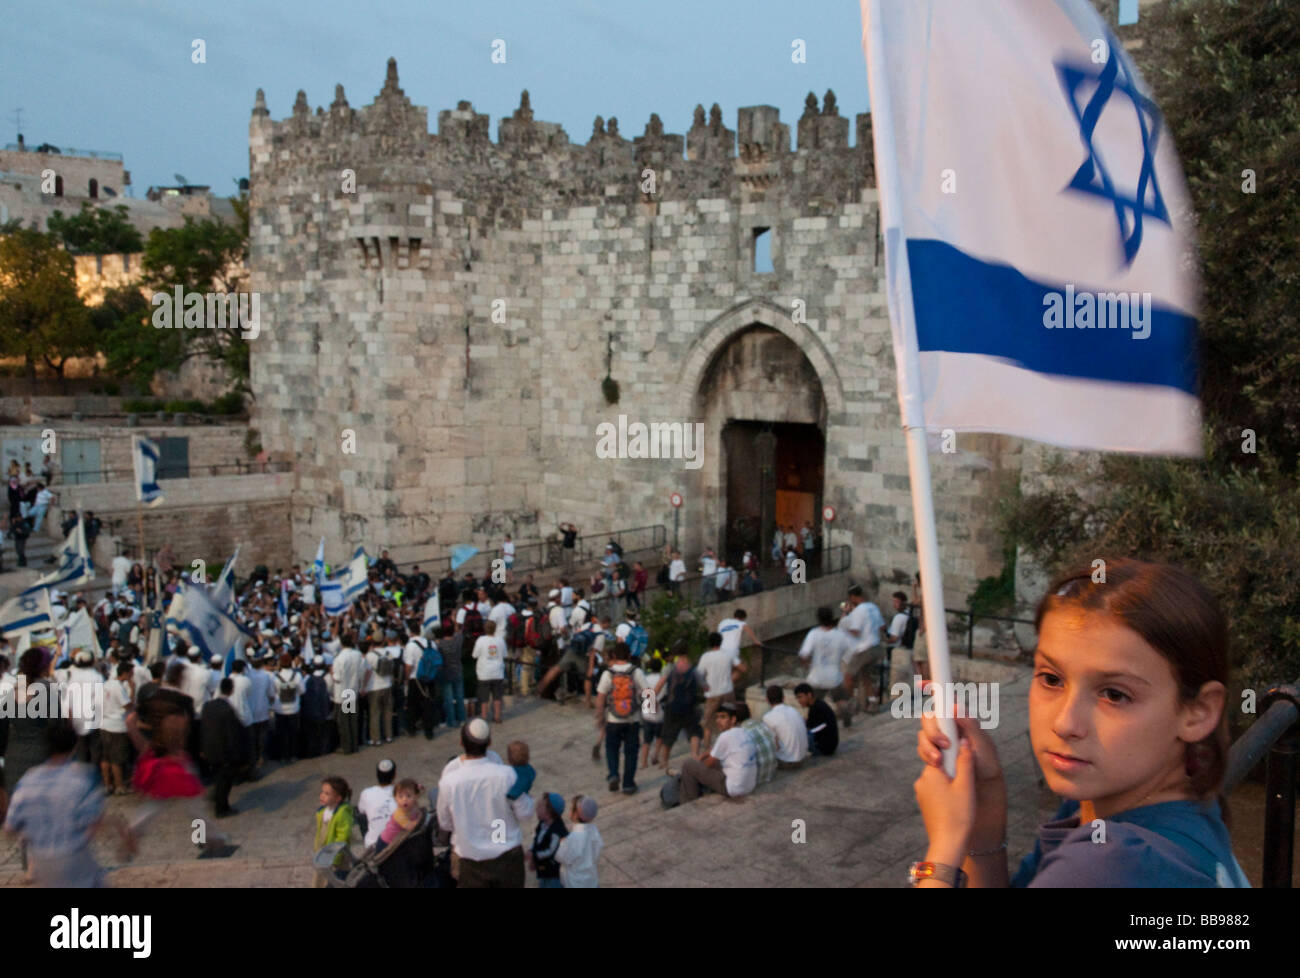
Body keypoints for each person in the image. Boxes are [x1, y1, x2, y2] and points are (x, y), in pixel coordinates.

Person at [913, 558, 1249, 889]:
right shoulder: (1156, 811)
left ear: (1198, 712)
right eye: (1051, 679)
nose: (1064, 723)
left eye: (1114, 695)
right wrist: (984, 819)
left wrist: (944, 850)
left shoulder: (1111, 866)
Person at [3, 721, 129, 887]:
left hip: (42, 860)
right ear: (75, 744)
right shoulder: (83, 777)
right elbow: (94, 823)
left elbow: (11, 827)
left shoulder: (28, 780)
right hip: (74, 855)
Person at [435, 719, 535, 888]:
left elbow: (445, 823)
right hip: (507, 857)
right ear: (489, 742)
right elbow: (524, 814)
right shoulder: (507, 774)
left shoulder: (449, 780)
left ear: (461, 742)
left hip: (471, 860)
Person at [594, 642, 648, 795]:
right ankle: (628, 784)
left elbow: (601, 697)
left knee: (612, 749)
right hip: (632, 719)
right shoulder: (636, 672)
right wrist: (648, 713)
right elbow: (647, 692)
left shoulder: (608, 673)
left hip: (613, 719)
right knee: (631, 752)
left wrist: (600, 717)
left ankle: (613, 774)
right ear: (629, 655)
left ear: (614, 656)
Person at [678, 702, 757, 802]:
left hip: (733, 789)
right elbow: (715, 752)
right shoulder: (745, 732)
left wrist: (699, 763)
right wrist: (705, 756)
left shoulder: (725, 736)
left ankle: (689, 801)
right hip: (749, 786)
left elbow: (708, 764)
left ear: (733, 719)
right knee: (715, 762)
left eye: (723, 717)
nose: (718, 721)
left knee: (688, 765)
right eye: (717, 717)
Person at [200, 678, 248, 818]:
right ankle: (222, 807)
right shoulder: (228, 710)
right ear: (232, 690)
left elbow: (203, 729)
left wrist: (202, 748)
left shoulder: (208, 706)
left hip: (209, 748)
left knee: (218, 777)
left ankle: (218, 799)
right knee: (225, 780)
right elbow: (232, 735)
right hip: (224, 752)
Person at [799, 606, 853, 722]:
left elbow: (804, 654)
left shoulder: (814, 634)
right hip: (835, 677)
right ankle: (846, 715)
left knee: (812, 702)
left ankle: (814, 721)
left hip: (817, 677)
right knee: (840, 699)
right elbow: (849, 651)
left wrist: (806, 664)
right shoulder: (840, 635)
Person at [839, 585, 886, 718]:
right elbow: (882, 626)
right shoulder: (873, 607)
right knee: (865, 676)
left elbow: (856, 631)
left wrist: (843, 625)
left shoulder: (859, 611)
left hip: (864, 649)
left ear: (853, 597)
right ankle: (873, 703)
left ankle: (848, 706)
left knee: (848, 677)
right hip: (876, 646)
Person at [696, 631, 746, 751]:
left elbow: (698, 675)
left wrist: (704, 686)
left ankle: (708, 750)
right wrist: (732, 679)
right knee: (731, 720)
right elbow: (743, 668)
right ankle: (733, 746)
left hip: (712, 694)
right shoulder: (728, 654)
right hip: (728, 692)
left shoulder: (705, 657)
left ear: (709, 643)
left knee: (708, 725)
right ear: (721, 642)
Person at [654, 649, 704, 766]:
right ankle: (694, 755)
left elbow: (658, 686)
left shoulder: (670, 668)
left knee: (668, 734)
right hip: (690, 706)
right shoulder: (694, 669)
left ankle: (664, 761)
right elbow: (704, 686)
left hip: (672, 706)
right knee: (694, 732)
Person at [99, 662, 135, 795]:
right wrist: (133, 690)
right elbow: (128, 705)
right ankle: (119, 785)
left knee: (106, 757)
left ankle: (107, 784)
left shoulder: (107, 684)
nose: (132, 676)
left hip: (104, 724)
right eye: (131, 673)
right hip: (117, 726)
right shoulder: (118, 687)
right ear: (125, 673)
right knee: (117, 759)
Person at [313, 776, 356, 887]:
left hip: (337, 858)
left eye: (327, 794)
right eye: (322, 792)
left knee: (336, 881)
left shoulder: (342, 814)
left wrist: (334, 858)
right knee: (321, 880)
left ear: (337, 798)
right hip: (324, 853)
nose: (322, 795)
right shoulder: (323, 811)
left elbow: (342, 839)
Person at [555, 795, 602, 888]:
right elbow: (597, 851)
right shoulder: (594, 830)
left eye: (571, 809)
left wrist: (562, 843)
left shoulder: (574, 837)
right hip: (591, 880)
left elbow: (561, 857)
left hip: (575, 883)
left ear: (576, 814)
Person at [331, 635, 367, 754]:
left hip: (344, 692)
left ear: (341, 644)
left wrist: (332, 673)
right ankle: (354, 744)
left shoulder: (339, 658)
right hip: (352, 690)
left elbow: (337, 678)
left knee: (345, 722)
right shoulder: (357, 655)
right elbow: (362, 672)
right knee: (353, 720)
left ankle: (347, 747)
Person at [762, 685, 809, 769]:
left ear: (767, 700)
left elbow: (773, 745)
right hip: (802, 758)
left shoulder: (768, 717)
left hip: (786, 762)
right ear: (783, 698)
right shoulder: (794, 710)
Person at [528, 791, 568, 888]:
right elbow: (536, 839)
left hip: (554, 872)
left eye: (540, 806)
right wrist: (531, 850)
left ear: (548, 814)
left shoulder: (557, 831)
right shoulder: (542, 823)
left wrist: (534, 855)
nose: (536, 808)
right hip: (544, 868)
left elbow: (551, 851)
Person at [357, 758, 398, 848]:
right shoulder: (402, 793)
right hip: (399, 843)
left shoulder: (366, 793)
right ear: (395, 775)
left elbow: (361, 811)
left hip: (373, 845)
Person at [272, 653, 305, 762]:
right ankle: (293, 754)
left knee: (281, 733)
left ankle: (283, 755)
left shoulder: (275, 677)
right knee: (293, 733)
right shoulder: (297, 676)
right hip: (294, 708)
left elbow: (273, 692)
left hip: (280, 709)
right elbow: (302, 691)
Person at [473, 620, 507, 723]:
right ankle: (497, 716)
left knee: (484, 697)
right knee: (497, 696)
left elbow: (474, 655)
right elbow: (505, 654)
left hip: (484, 672)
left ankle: (484, 716)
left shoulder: (480, 640)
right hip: (497, 671)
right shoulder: (500, 640)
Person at [377, 778, 424, 849]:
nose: (404, 799)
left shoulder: (414, 805)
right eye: (400, 796)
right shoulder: (399, 814)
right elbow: (410, 827)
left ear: (415, 797)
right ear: (395, 798)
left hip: (398, 840)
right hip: (386, 842)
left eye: (408, 796)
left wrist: (419, 788)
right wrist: (420, 819)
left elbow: (421, 792)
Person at [796, 682, 839, 757]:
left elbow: (813, 728)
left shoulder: (817, 708)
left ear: (809, 695)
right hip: (830, 746)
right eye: (797, 698)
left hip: (825, 748)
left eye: (800, 697)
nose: (798, 700)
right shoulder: (818, 704)